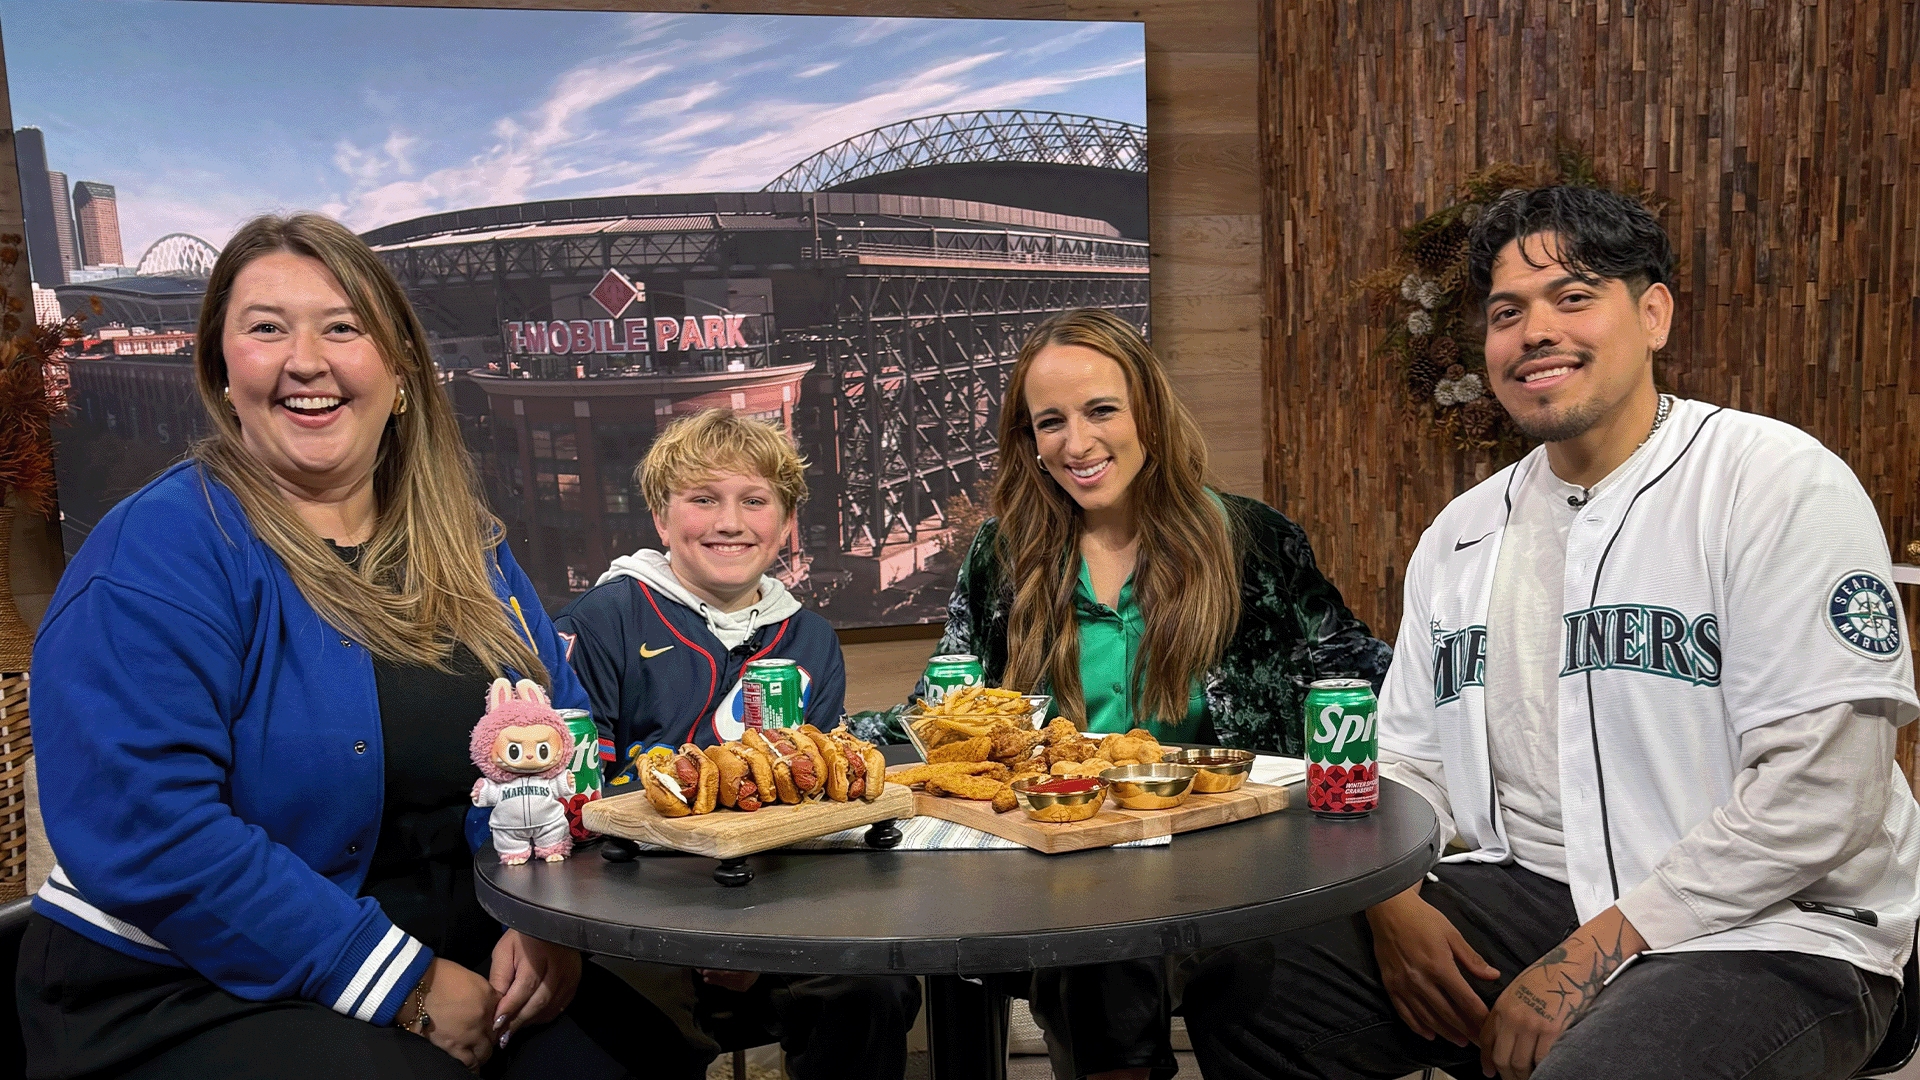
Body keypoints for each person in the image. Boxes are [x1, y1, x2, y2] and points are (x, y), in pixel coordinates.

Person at [1178, 184, 1920, 1080]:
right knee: (1255, 984)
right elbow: (1410, 764)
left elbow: (1824, 796)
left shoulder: (1774, 483)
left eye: (1573, 297)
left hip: (1773, 925)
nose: (1534, 331)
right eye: (1506, 311)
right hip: (1536, 890)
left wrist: (1588, 959)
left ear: (1653, 314)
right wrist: (1393, 903)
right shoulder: (1460, 533)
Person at [18, 213, 673, 1079]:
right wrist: (402, 984)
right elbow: (148, 829)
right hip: (183, 982)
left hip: (463, 951)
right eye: (264, 328)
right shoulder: (157, 550)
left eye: (342, 326)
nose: (306, 360)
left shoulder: (467, 545)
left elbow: (566, 740)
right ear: (222, 371)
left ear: (398, 369)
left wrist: (545, 910)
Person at [914, 308, 1391, 1080]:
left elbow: (1361, 677)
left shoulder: (1251, 540)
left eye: (1101, 410)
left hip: (1232, 852)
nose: (1078, 443)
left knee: (1208, 956)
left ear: (1149, 415)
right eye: (1051, 422)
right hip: (1067, 857)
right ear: (1029, 442)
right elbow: (946, 703)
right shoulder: (1001, 554)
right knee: (1094, 938)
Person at [553, 406, 921, 1080]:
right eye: (703, 500)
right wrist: (701, 924)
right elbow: (583, 812)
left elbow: (814, 807)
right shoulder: (601, 621)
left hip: (777, 905)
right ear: (662, 519)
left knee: (871, 988)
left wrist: (759, 922)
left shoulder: (808, 638)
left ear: (784, 524)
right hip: (640, 911)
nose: (729, 522)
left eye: (755, 501)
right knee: (620, 1026)